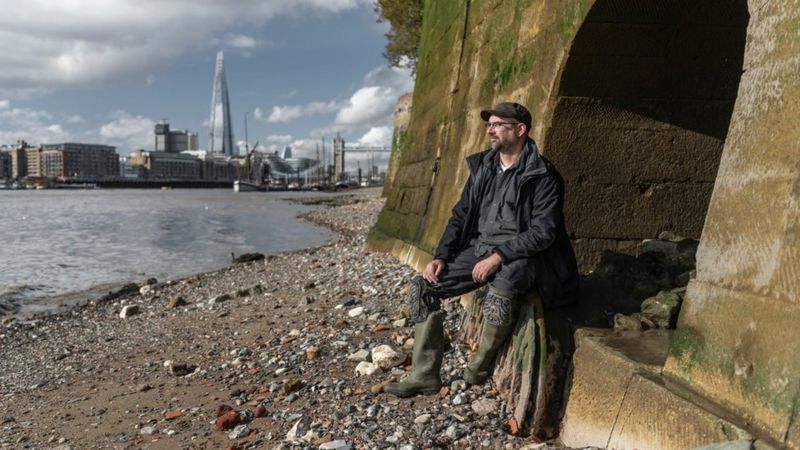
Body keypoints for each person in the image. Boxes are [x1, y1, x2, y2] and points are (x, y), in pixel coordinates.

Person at [384, 102, 579, 398]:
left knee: (501, 293)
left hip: (524, 255)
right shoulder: (483, 168)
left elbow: (543, 232)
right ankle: (424, 375)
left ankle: (479, 366)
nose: (490, 129)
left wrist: (498, 257)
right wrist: (440, 257)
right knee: (422, 288)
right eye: (489, 124)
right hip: (480, 248)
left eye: (498, 124)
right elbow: (460, 216)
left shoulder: (543, 175)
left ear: (520, 130)